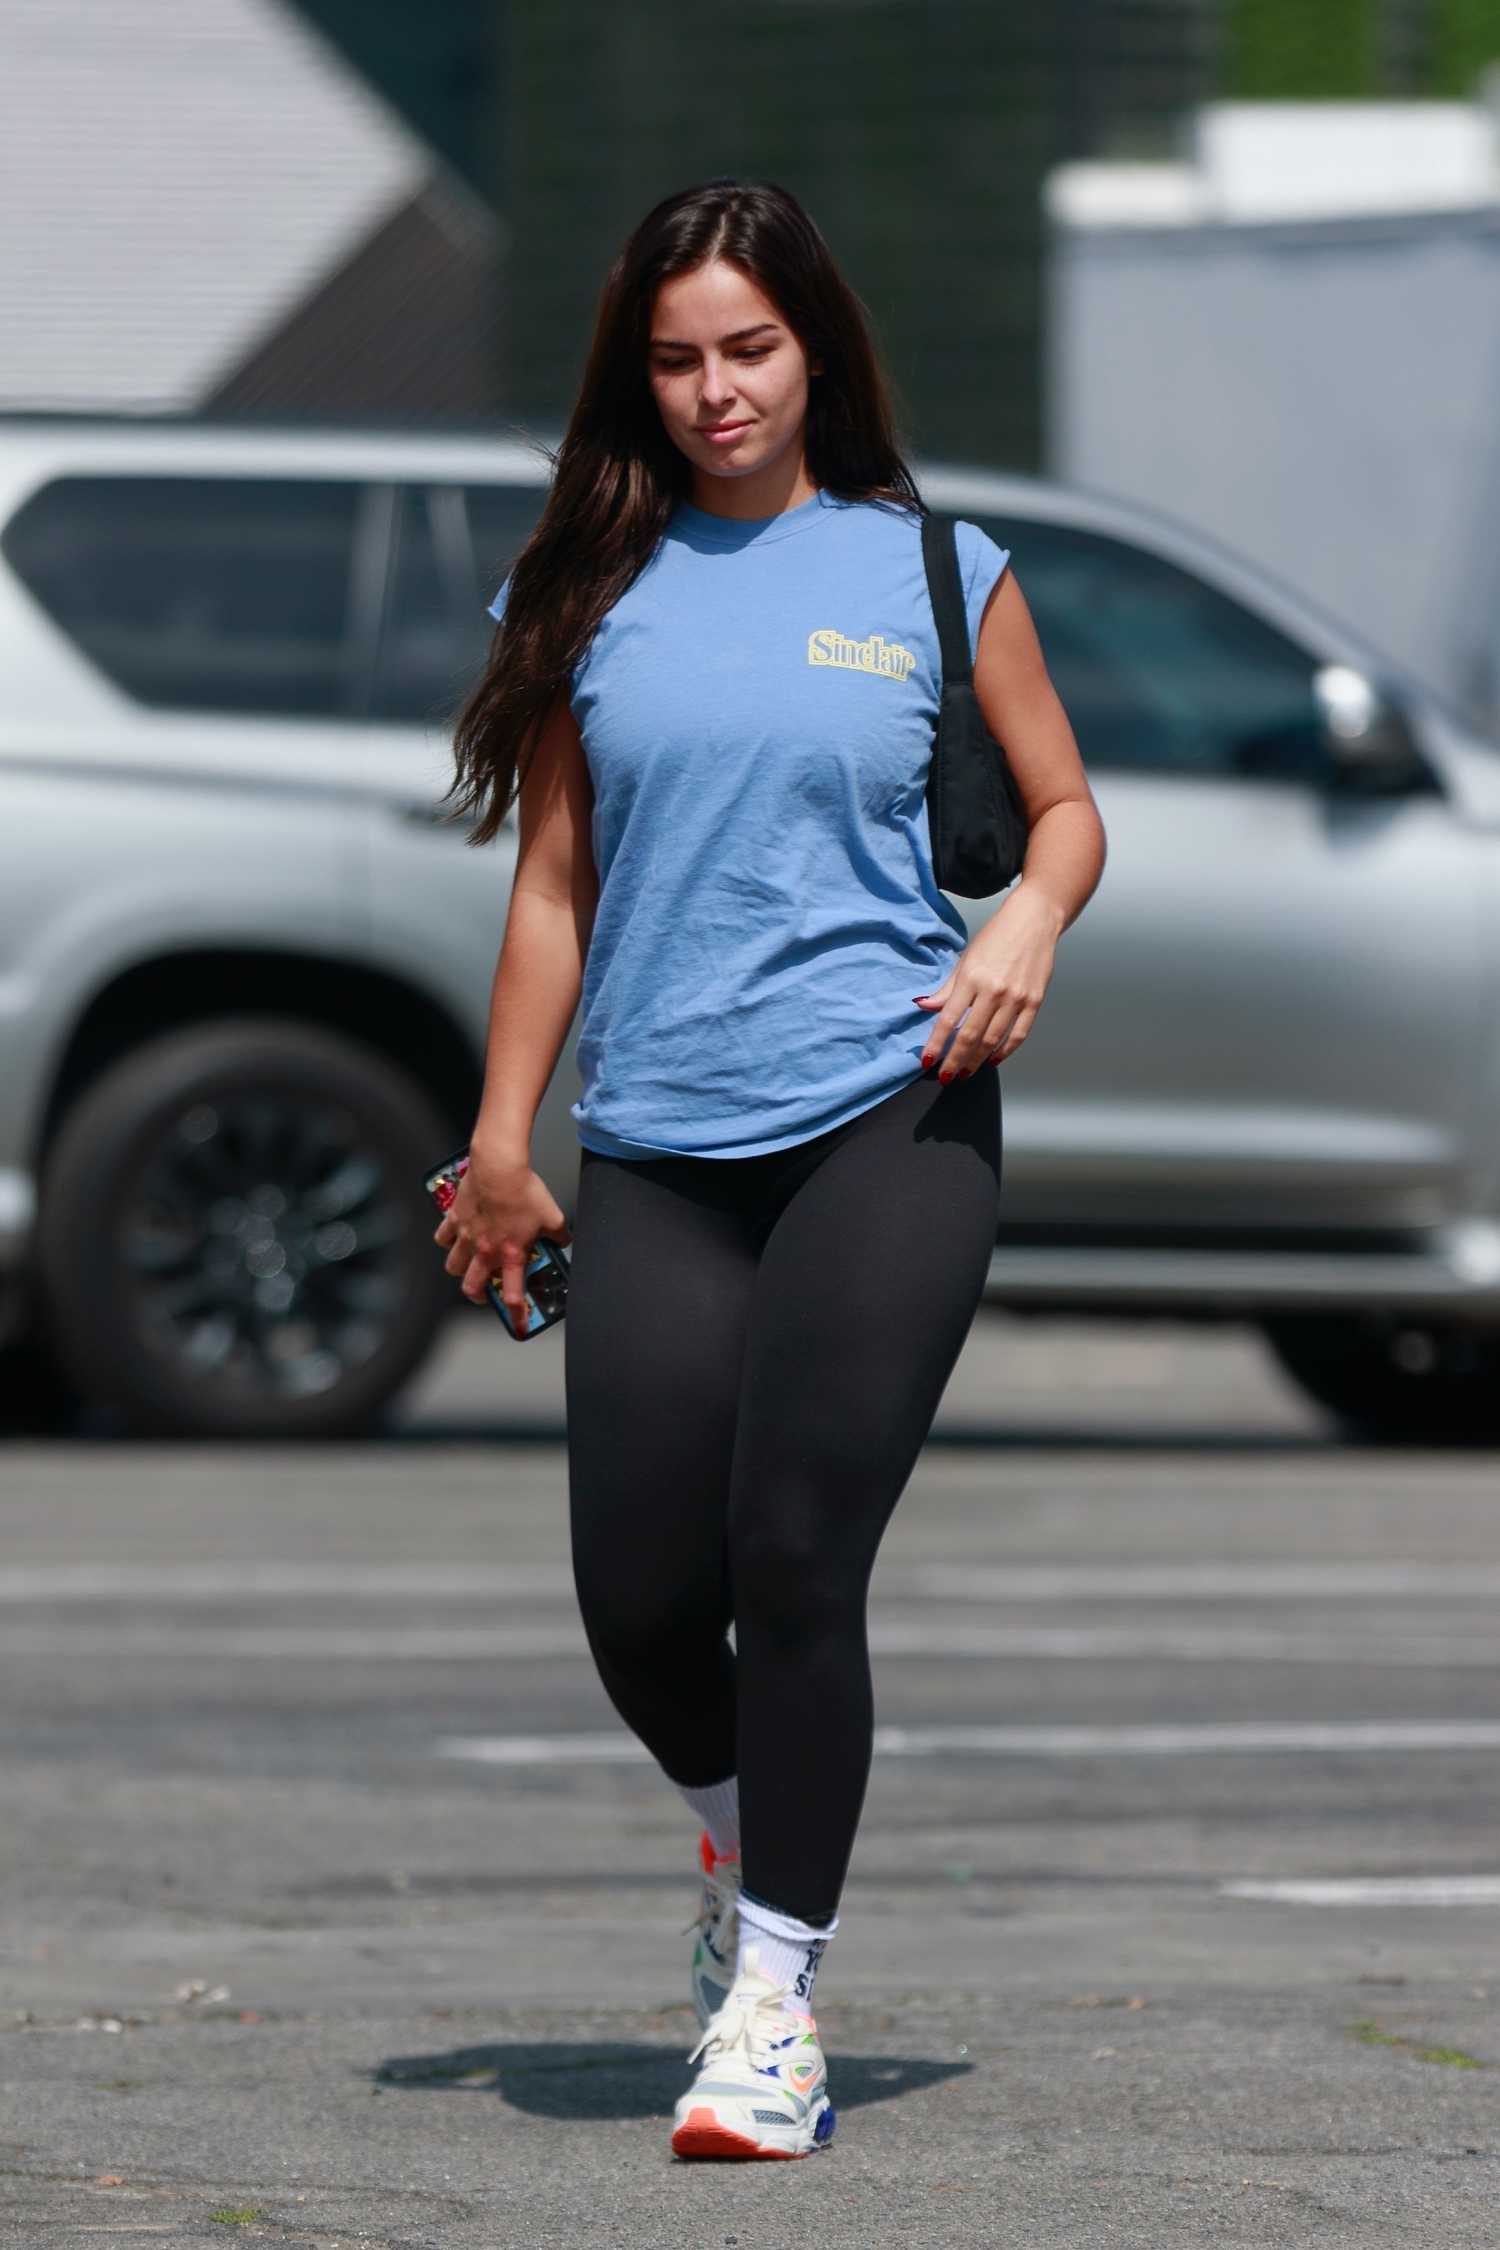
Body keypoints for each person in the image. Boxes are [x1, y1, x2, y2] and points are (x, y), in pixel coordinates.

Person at [433, 176, 1105, 2162]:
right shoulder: (584, 587)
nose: (717, 391)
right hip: (659, 1147)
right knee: (640, 1596)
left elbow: (1063, 811)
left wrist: (1027, 925)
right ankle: (739, 1835)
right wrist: (498, 1138)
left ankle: (777, 2005)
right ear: (634, 377)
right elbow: (553, 888)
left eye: (751, 348)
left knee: (797, 1549)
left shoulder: (933, 568)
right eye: (677, 359)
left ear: (815, 349)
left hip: (887, 1116)